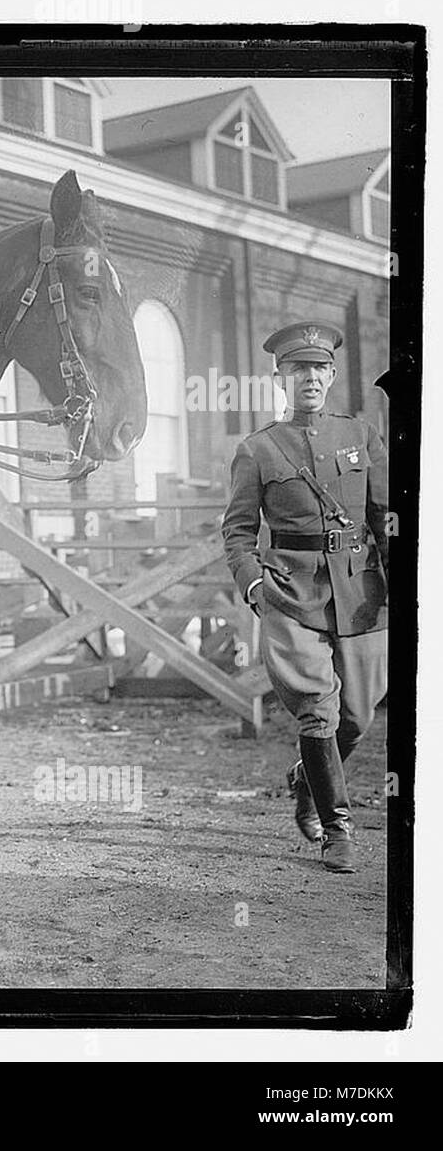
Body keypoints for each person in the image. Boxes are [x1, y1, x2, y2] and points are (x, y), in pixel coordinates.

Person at [222, 322, 389, 874]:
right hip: (292, 592)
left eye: (318, 369)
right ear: (280, 378)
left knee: (358, 716)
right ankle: (336, 829)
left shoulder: (361, 436)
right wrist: (254, 584)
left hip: (360, 587)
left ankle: (306, 778)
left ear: (333, 376)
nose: (309, 379)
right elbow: (238, 531)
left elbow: (389, 516)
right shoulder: (258, 449)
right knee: (317, 710)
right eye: (298, 370)